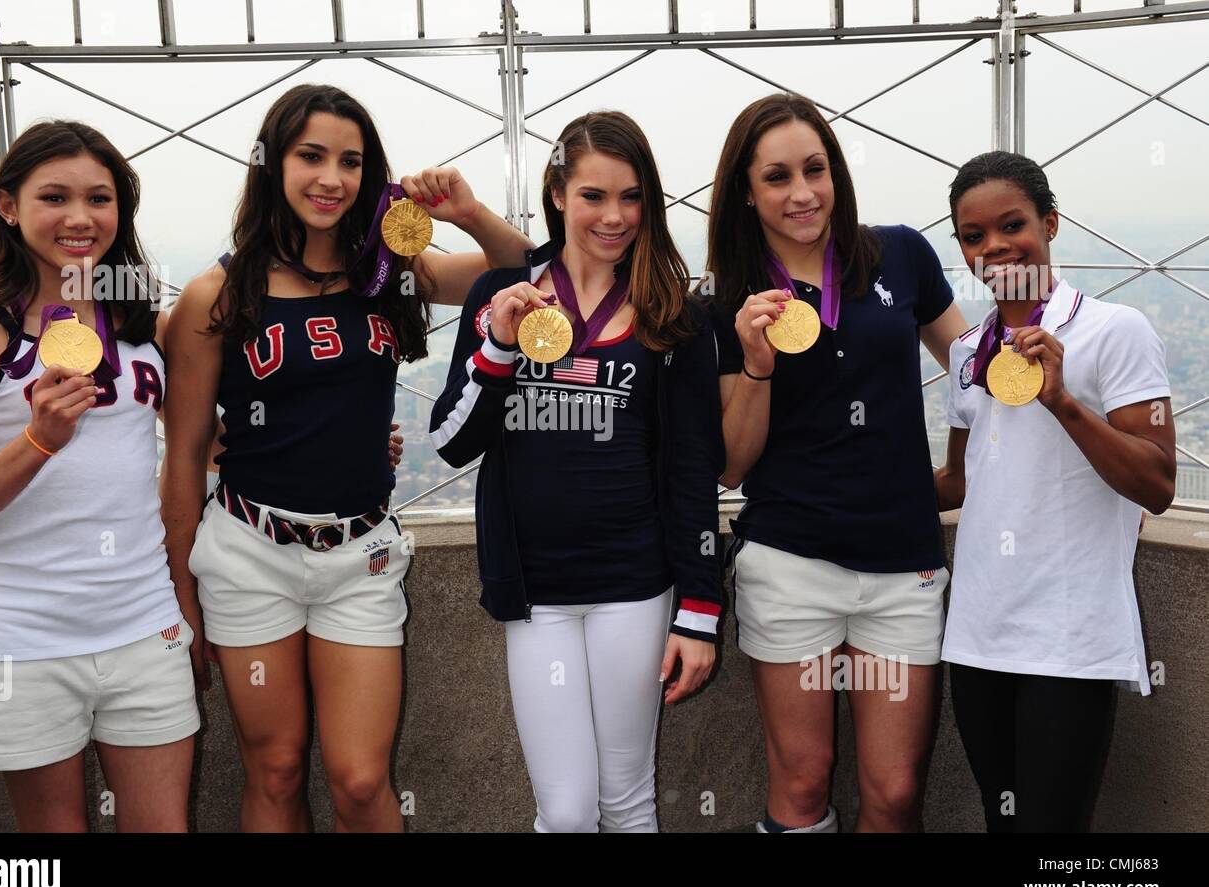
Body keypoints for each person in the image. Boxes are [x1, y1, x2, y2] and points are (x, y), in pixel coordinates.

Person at [161, 83, 532, 832]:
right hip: (247, 554)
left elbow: (527, 274)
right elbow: (185, 456)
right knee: (276, 769)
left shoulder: (390, 272)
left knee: (362, 781)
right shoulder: (216, 296)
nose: (331, 177)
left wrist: (464, 211)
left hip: (359, 554)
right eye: (311, 156)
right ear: (272, 164)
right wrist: (182, 603)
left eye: (351, 161)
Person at [430, 111, 724, 833]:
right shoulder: (502, 294)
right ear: (558, 193)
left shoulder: (673, 314)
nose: (615, 216)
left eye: (631, 197)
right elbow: (450, 441)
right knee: (563, 814)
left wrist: (700, 610)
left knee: (627, 803)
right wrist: (499, 345)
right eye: (594, 195)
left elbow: (692, 474)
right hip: (537, 592)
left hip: (635, 586)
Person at [0, 120, 198, 831]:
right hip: (23, 640)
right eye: (54, 197)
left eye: (100, 199)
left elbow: (201, 449)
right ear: (9, 206)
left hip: (145, 626)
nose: (80, 218)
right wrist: (38, 440)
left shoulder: (144, 329)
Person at [706, 93, 969, 833]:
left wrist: (961, 470)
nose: (801, 193)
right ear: (746, 193)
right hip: (791, 564)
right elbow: (730, 467)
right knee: (803, 781)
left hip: (903, 566)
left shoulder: (900, 255)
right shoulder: (728, 299)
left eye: (814, 170)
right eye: (777, 177)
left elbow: (977, 374)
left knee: (893, 793)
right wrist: (756, 365)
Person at [935, 150, 1176, 832]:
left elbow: (1157, 482)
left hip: (1068, 636)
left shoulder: (1114, 331)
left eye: (1012, 224)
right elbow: (960, 481)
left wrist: (1064, 401)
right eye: (973, 236)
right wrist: (842, 490)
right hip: (978, 632)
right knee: (1002, 818)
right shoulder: (968, 352)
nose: (995, 246)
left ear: (1050, 222)